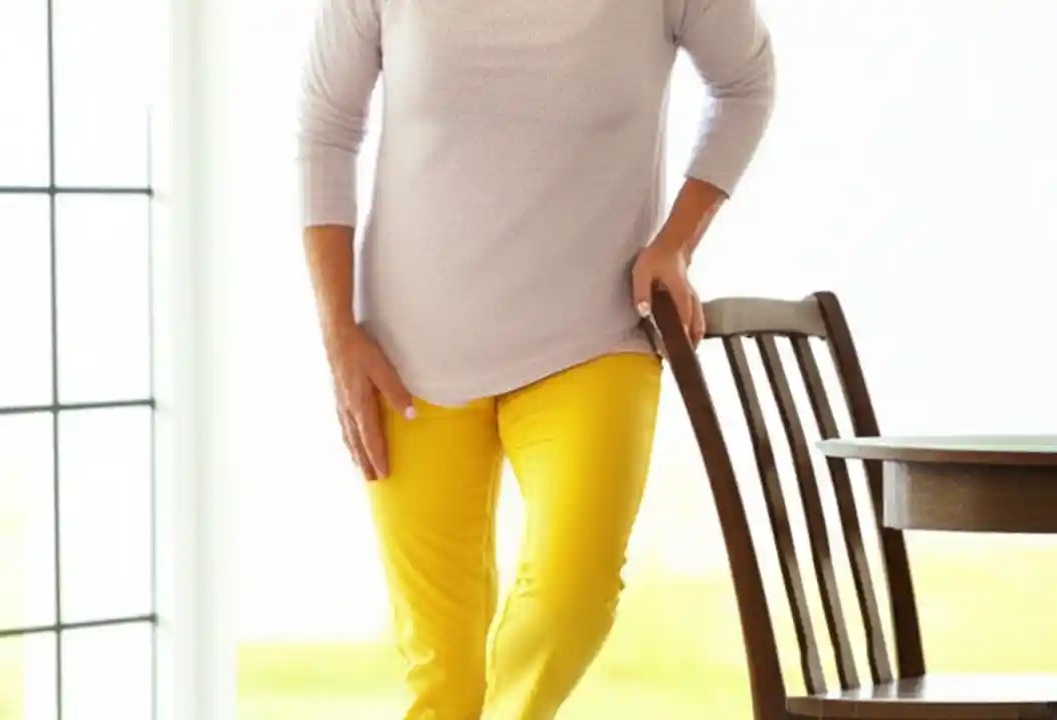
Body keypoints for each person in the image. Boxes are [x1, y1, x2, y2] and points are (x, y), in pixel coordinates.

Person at [297, 0, 774, 716]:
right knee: (441, 671)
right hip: (407, 360)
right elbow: (326, 131)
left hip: (595, 337)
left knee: (571, 599)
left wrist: (676, 241)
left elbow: (746, 84)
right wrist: (339, 336)